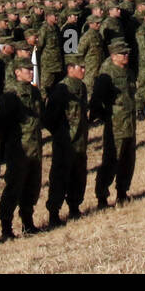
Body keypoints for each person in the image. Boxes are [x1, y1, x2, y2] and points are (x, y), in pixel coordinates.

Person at [0, 60, 43, 238]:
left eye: (32, 70)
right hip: (19, 149)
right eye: (27, 70)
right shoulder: (11, 95)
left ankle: (28, 222)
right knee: (14, 186)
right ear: (17, 72)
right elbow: (0, 123)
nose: (31, 73)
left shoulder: (34, 92)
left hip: (34, 147)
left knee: (32, 186)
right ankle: (6, 227)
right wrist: (9, 144)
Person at [43, 54, 89, 227]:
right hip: (65, 143)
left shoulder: (82, 87)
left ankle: (75, 207)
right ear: (70, 69)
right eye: (80, 67)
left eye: (84, 67)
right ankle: (54, 212)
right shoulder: (62, 90)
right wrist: (61, 135)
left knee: (78, 175)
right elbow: (49, 118)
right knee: (60, 177)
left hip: (80, 141)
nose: (83, 70)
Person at [90, 41, 136, 208]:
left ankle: (122, 192)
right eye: (122, 54)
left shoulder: (129, 72)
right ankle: (102, 196)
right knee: (111, 161)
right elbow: (96, 102)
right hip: (115, 126)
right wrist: (107, 117)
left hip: (129, 124)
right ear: (113, 56)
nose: (126, 56)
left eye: (127, 53)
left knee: (128, 161)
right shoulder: (107, 75)